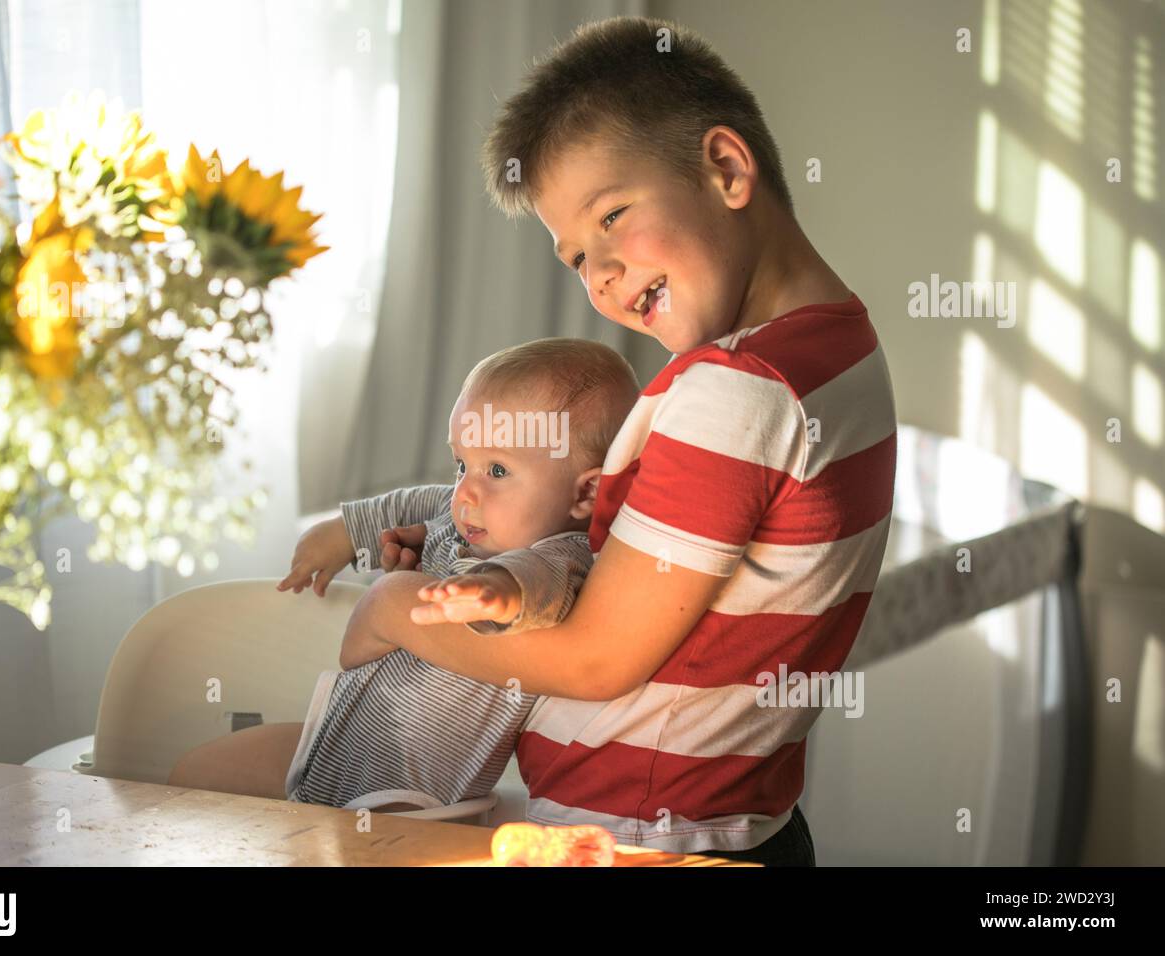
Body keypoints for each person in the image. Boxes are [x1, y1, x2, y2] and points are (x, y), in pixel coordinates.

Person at [337, 15, 897, 866]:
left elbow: (598, 659)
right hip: (738, 822)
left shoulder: (735, 392)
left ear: (726, 168)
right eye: (573, 256)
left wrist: (391, 611)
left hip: (639, 838)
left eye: (613, 216)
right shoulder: (842, 349)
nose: (597, 271)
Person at [167, 337, 639, 813]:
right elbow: (410, 503)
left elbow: (537, 583)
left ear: (586, 494)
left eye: (496, 469)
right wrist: (346, 532)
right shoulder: (464, 514)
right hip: (332, 744)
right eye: (461, 464)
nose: (466, 493)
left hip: (412, 790)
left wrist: (496, 590)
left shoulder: (562, 553)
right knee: (193, 774)